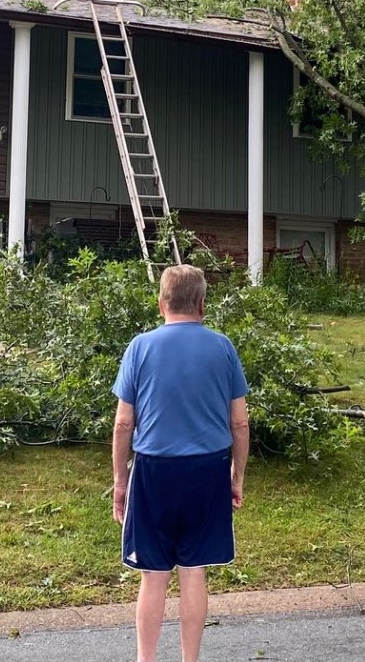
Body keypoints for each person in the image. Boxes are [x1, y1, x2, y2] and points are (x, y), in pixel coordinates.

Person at [112, 265, 249, 662]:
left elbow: (124, 422)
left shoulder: (140, 347)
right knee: (194, 570)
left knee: (153, 576)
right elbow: (239, 421)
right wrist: (236, 476)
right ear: (203, 305)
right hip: (207, 469)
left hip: (154, 470)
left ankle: (146, 659)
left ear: (161, 304)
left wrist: (121, 482)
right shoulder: (222, 347)